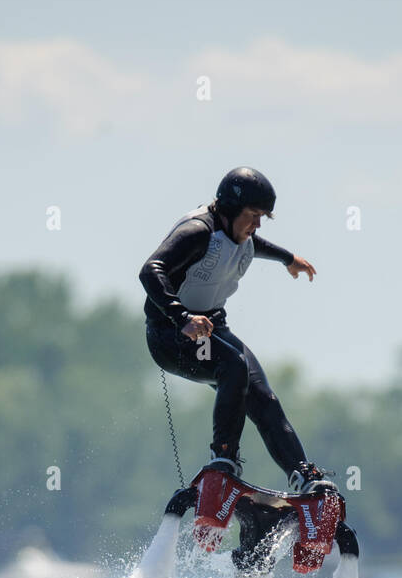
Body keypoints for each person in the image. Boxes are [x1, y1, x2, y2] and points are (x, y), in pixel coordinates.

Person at [139, 167, 336, 495]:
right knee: (232, 366)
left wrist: (288, 258)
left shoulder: (237, 232)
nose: (257, 224)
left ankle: (302, 476)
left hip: (212, 329)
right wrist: (182, 317)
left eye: (263, 217)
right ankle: (223, 460)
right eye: (253, 214)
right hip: (171, 337)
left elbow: (251, 244)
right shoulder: (197, 232)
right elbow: (150, 270)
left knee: (263, 396)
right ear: (230, 210)